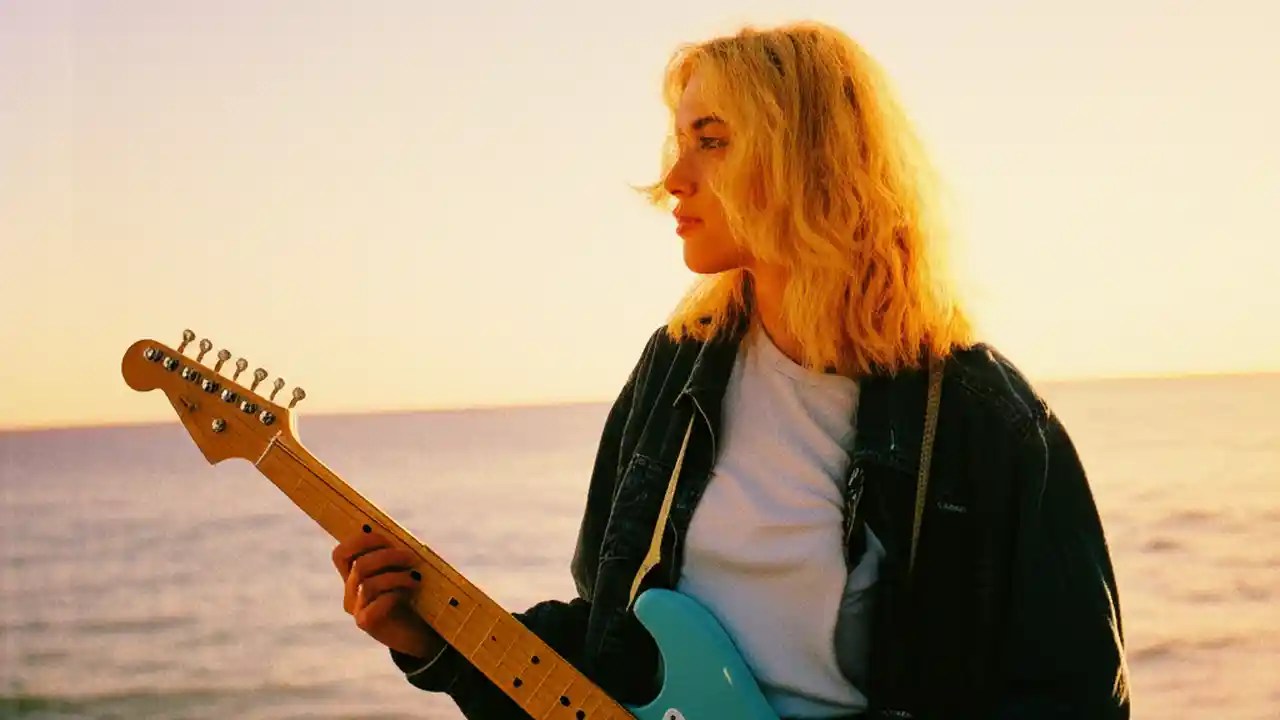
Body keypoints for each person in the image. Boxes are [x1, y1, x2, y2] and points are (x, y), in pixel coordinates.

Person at [331, 20, 1130, 720]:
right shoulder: (675, 369)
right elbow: (609, 646)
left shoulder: (981, 417)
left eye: (711, 141)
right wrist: (429, 641)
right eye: (681, 143)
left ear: (812, 159)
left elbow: (1077, 696)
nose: (675, 178)